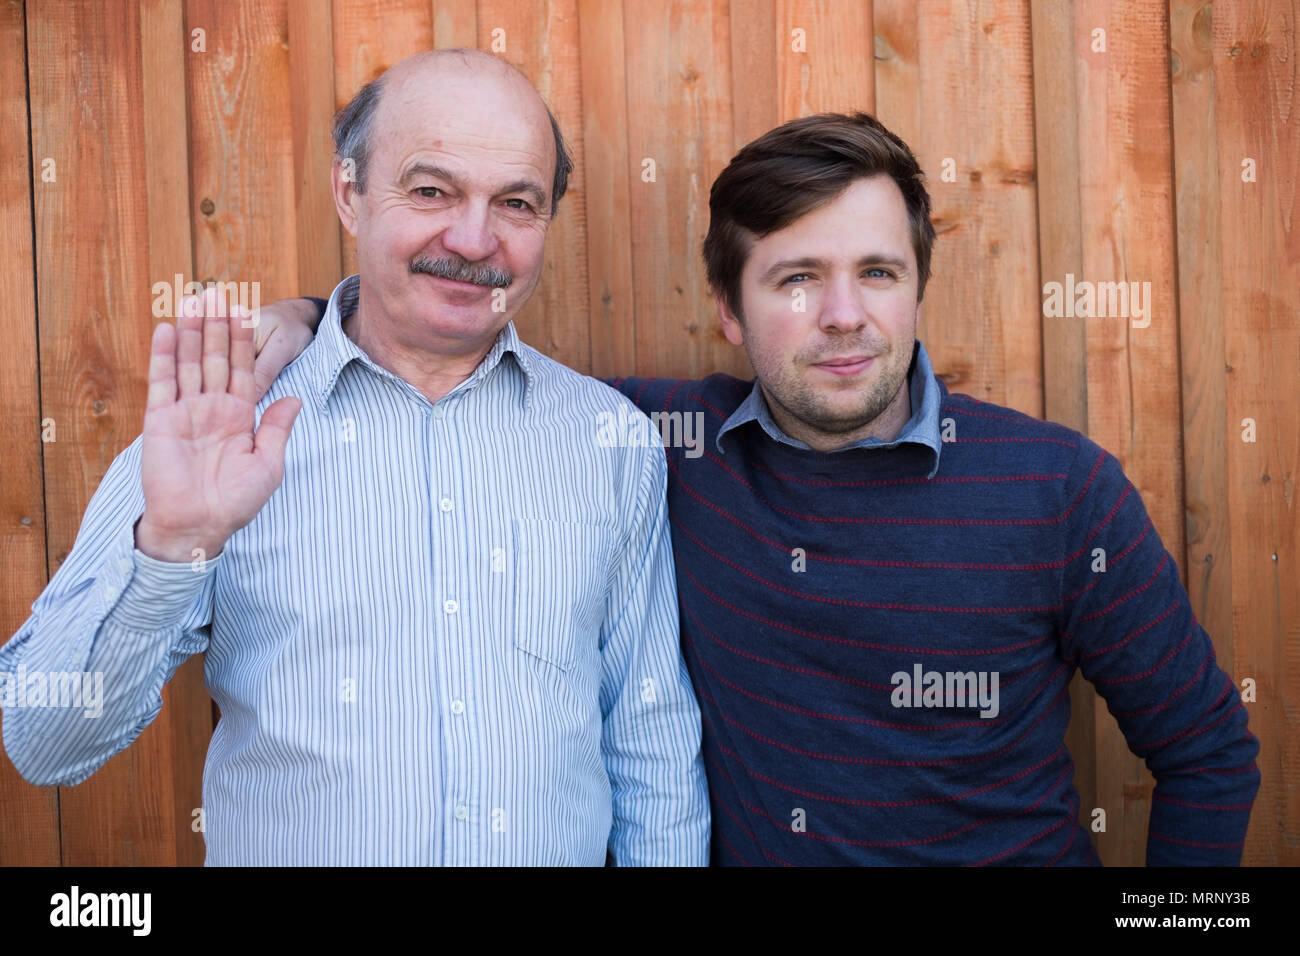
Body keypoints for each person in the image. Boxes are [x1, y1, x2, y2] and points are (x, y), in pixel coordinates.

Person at [256, 108, 1262, 866]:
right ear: (729, 313)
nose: (841, 314)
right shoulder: (653, 440)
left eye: (877, 271)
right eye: (793, 278)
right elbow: (455, 354)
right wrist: (311, 318)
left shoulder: (1056, 489)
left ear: (917, 288)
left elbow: (1207, 753)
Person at [0, 49, 710, 866]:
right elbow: (44, 742)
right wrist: (171, 545)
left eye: (516, 202)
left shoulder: (608, 439)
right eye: (431, 189)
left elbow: (649, 740)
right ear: (349, 192)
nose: (473, 238)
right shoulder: (222, 427)